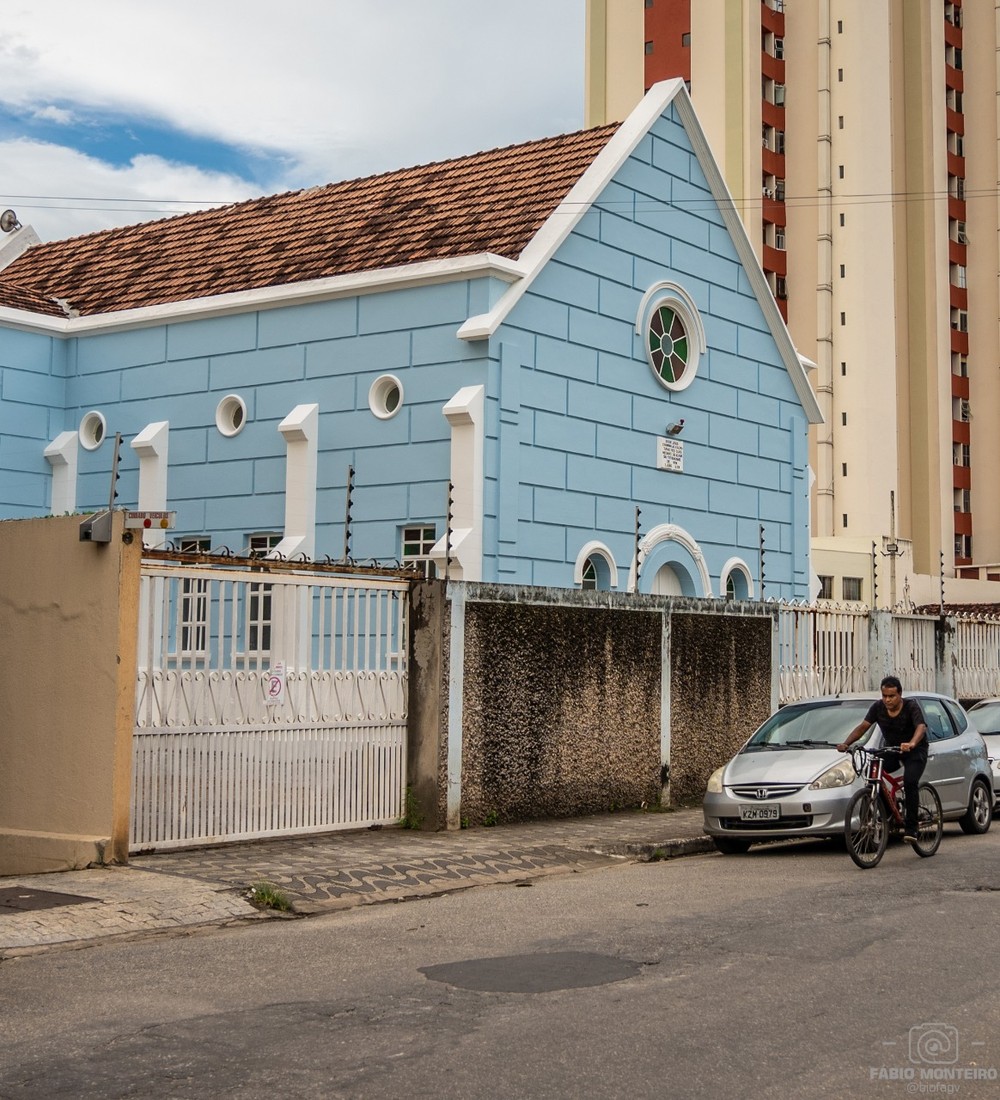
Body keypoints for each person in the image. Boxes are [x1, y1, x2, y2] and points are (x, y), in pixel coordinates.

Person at [836, 676, 928, 843]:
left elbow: (921, 727)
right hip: (892, 749)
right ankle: (886, 814)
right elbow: (863, 727)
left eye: (891, 696)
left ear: (900, 694)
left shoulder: (911, 706)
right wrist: (846, 743)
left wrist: (912, 743)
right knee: (873, 772)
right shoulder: (878, 707)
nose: (887, 700)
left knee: (910, 781)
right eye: (884, 695)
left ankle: (911, 828)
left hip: (915, 750)